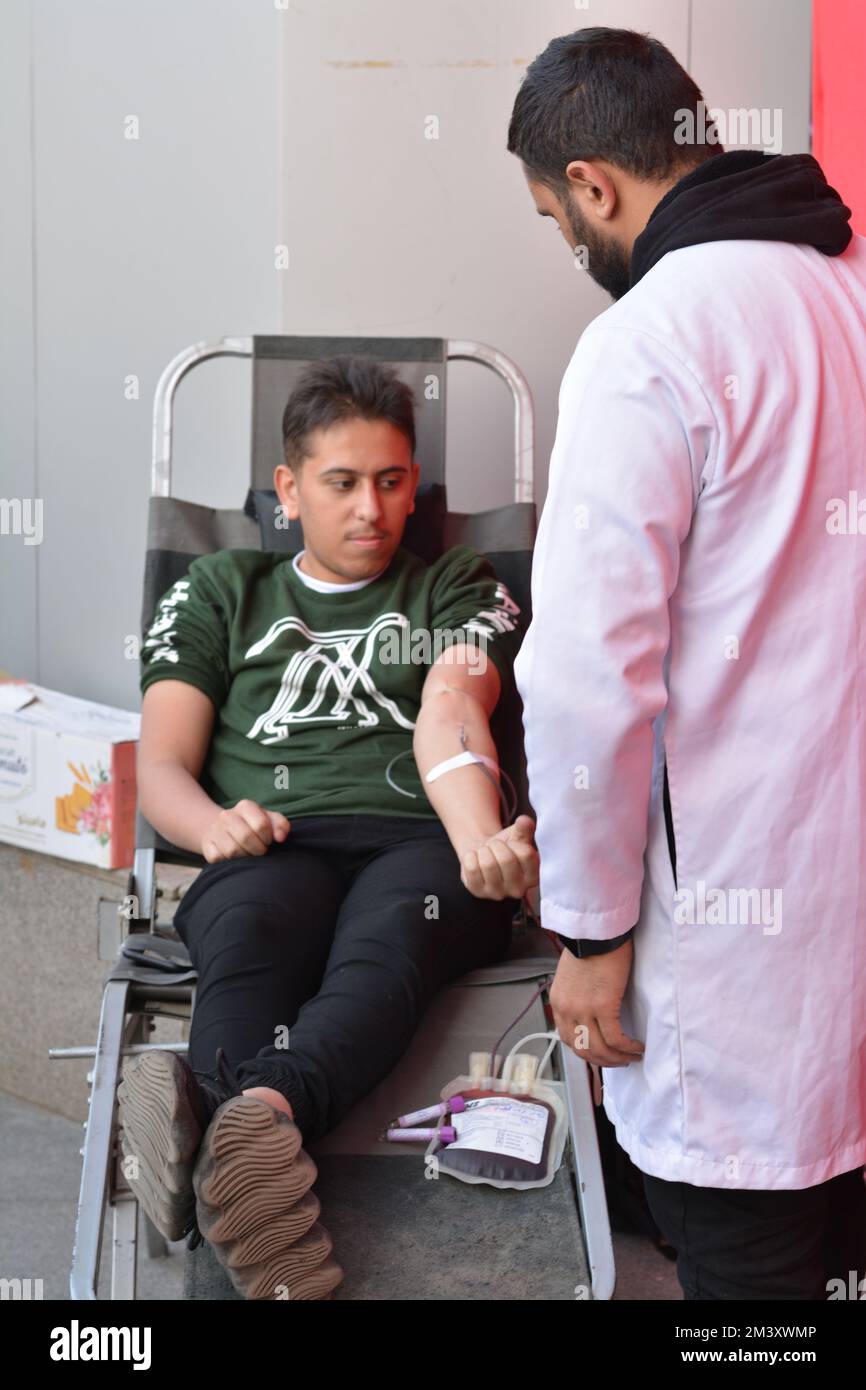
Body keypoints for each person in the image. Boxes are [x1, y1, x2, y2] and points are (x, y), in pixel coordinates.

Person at [508, 26, 866, 1300]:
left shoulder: (645, 342)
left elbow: (588, 677)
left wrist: (591, 928)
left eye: (559, 219)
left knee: (748, 1288)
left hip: (734, 957)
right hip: (838, 936)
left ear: (594, 186)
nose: (572, 249)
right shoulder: (846, 287)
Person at [116, 352, 539, 1300]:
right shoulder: (226, 587)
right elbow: (165, 765)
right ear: (289, 488)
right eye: (341, 482)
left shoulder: (455, 585)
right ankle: (247, 1134)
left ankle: (224, 1109)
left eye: (392, 482)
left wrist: (477, 839)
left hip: (417, 835)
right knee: (252, 932)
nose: (371, 509)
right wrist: (213, 824)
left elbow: (456, 713)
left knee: (389, 941)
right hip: (269, 837)